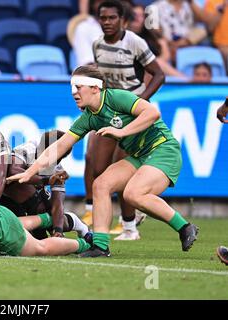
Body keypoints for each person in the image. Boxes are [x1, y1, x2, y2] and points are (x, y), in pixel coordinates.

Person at [7, 65, 199, 258]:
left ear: (95, 88)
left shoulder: (116, 97)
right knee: (101, 185)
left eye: (79, 87)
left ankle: (184, 227)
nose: (74, 92)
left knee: (133, 194)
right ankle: (100, 246)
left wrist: (121, 132)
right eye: (72, 88)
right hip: (140, 155)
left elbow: (152, 113)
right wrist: (30, 171)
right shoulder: (89, 118)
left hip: (162, 149)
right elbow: (60, 146)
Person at [82, 0, 164, 240]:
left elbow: (159, 74)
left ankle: (129, 227)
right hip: (109, 113)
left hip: (132, 116)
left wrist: (141, 103)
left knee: (122, 172)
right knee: (98, 169)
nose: (107, 22)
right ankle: (111, 222)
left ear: (123, 20)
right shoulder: (97, 44)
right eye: (103, 18)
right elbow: (104, 80)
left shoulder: (135, 43)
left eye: (112, 18)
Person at [0, 130, 92, 241]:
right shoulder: (27, 150)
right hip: (5, 192)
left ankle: (76, 224)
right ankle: (39, 236)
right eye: (58, 156)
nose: (58, 161)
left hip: (30, 200)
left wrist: (58, 230)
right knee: (34, 208)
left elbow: (58, 203)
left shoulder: (57, 168)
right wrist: (46, 180)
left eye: (61, 157)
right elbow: (14, 171)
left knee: (53, 217)